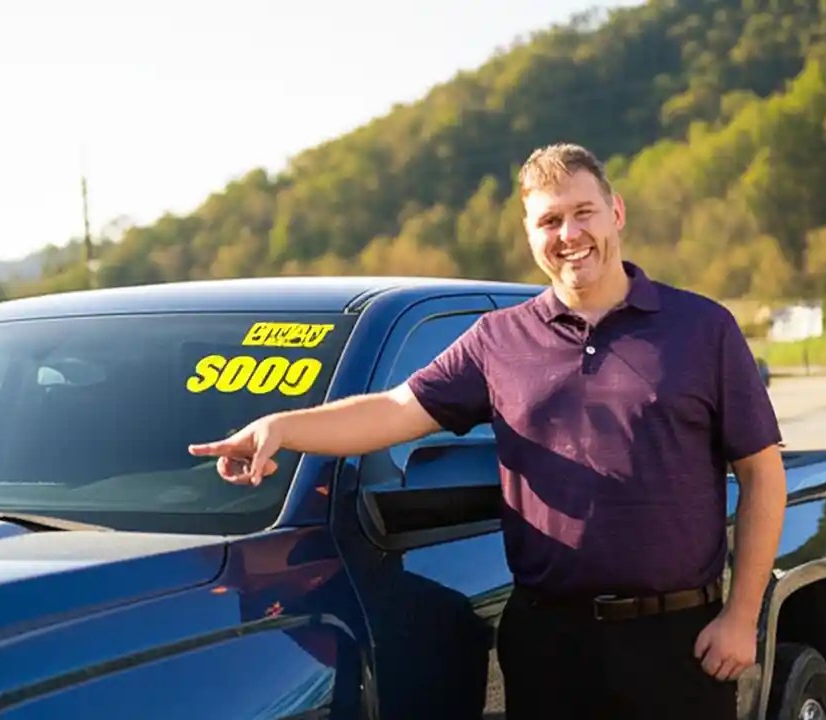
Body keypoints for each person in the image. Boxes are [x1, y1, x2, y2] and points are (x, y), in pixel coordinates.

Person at [188, 142, 787, 719]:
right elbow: (395, 410)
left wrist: (741, 618)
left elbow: (761, 474)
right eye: (549, 221)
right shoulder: (498, 340)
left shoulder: (702, 327)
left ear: (617, 212)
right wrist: (282, 427)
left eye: (584, 212)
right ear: (530, 234)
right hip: (548, 644)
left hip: (677, 641)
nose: (569, 234)